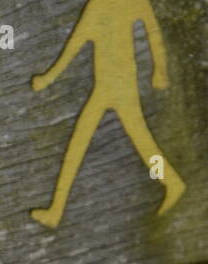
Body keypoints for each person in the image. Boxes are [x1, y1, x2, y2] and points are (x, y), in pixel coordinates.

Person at [29, 0, 185, 229]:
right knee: (81, 143)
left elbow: (153, 33)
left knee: (137, 143)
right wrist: (48, 78)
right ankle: (56, 209)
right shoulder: (97, 6)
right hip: (103, 89)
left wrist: (160, 72)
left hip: (123, 89)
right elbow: (76, 43)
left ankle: (171, 182)